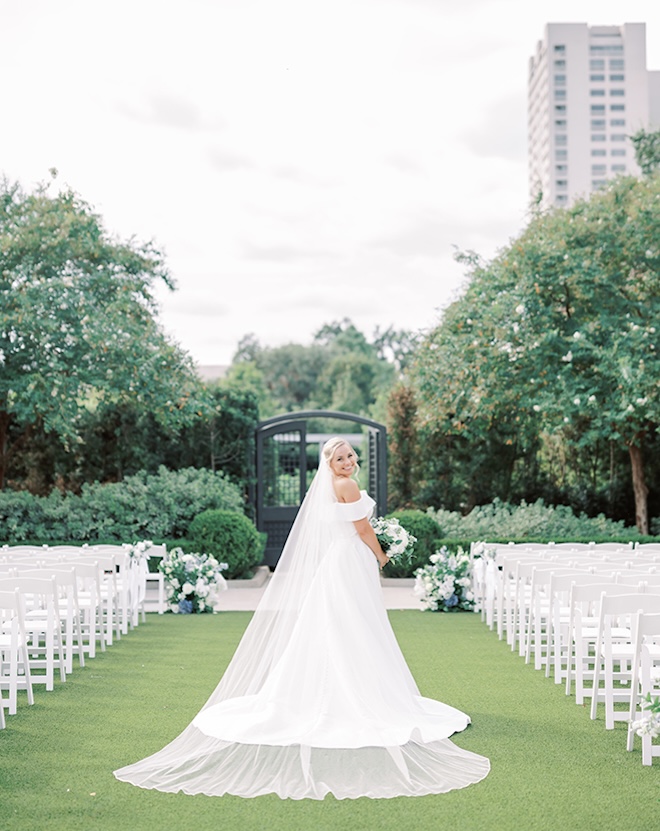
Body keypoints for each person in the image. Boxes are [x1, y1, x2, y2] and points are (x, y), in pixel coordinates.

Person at [114, 437, 490, 799]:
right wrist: (383, 555)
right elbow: (361, 530)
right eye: (340, 458)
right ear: (329, 464)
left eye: (350, 455)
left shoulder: (332, 487)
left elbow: (350, 526)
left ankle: (340, 686)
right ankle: (357, 693)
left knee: (340, 622)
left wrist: (374, 543)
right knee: (354, 623)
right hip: (353, 559)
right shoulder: (349, 485)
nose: (348, 461)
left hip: (338, 562)